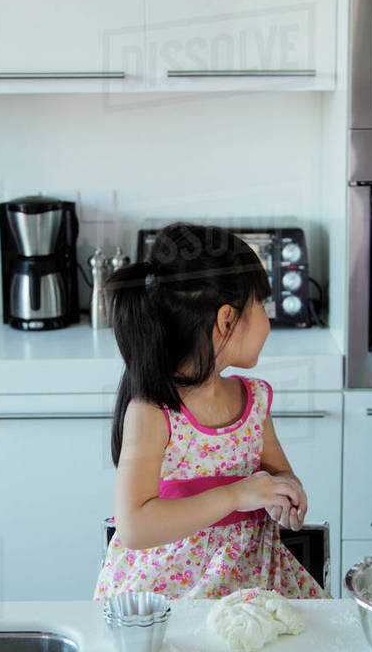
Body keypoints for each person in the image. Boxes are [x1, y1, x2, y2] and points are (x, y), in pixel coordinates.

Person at [94, 222, 325, 599]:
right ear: (226, 320)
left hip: (254, 584)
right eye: (261, 305)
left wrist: (287, 493)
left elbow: (278, 471)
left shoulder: (255, 400)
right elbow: (134, 525)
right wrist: (236, 496)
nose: (267, 320)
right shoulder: (154, 412)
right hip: (173, 593)